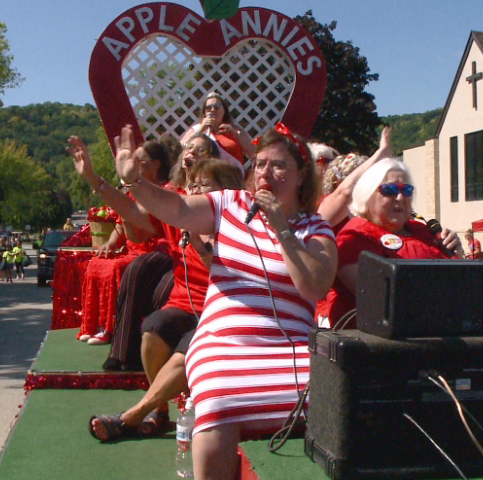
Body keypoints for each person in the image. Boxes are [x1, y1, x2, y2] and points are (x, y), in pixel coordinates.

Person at [114, 122, 337, 480]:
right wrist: (135, 182)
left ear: (301, 176)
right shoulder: (230, 204)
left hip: (291, 349)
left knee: (328, 400)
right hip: (223, 342)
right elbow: (177, 208)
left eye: (279, 165)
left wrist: (281, 229)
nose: (266, 173)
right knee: (219, 396)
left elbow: (315, 287)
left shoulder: (315, 228)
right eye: (260, 164)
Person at [89, 158, 245, 442]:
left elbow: (227, 276)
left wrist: (198, 243)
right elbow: (131, 211)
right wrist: (93, 178)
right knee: (153, 329)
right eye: (192, 184)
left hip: (220, 311)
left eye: (204, 185)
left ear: (226, 191)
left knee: (189, 348)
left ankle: (131, 416)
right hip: (182, 305)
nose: (194, 190)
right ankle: (159, 411)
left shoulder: (238, 226)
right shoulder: (179, 219)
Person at [318, 158, 463, 328]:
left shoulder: (424, 231)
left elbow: (461, 284)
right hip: (379, 338)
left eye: (406, 190)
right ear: (366, 194)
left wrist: (458, 254)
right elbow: (380, 298)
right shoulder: (354, 236)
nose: (400, 197)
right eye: (389, 190)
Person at [68, 134, 173, 345]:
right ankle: (93, 324)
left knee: (116, 268)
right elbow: (120, 225)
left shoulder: (165, 192)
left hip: (152, 253)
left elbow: (137, 233)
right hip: (131, 249)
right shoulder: (135, 192)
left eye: (139, 161)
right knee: (97, 263)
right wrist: (110, 243)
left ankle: (111, 328)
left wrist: (126, 219)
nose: (133, 165)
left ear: (156, 165)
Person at [179, 91, 254, 170]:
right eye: (208, 107)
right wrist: (201, 130)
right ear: (204, 112)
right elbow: (180, 150)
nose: (212, 109)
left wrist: (235, 134)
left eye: (217, 106)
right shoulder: (196, 129)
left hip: (232, 175)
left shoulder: (235, 129)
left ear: (224, 110)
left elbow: (253, 152)